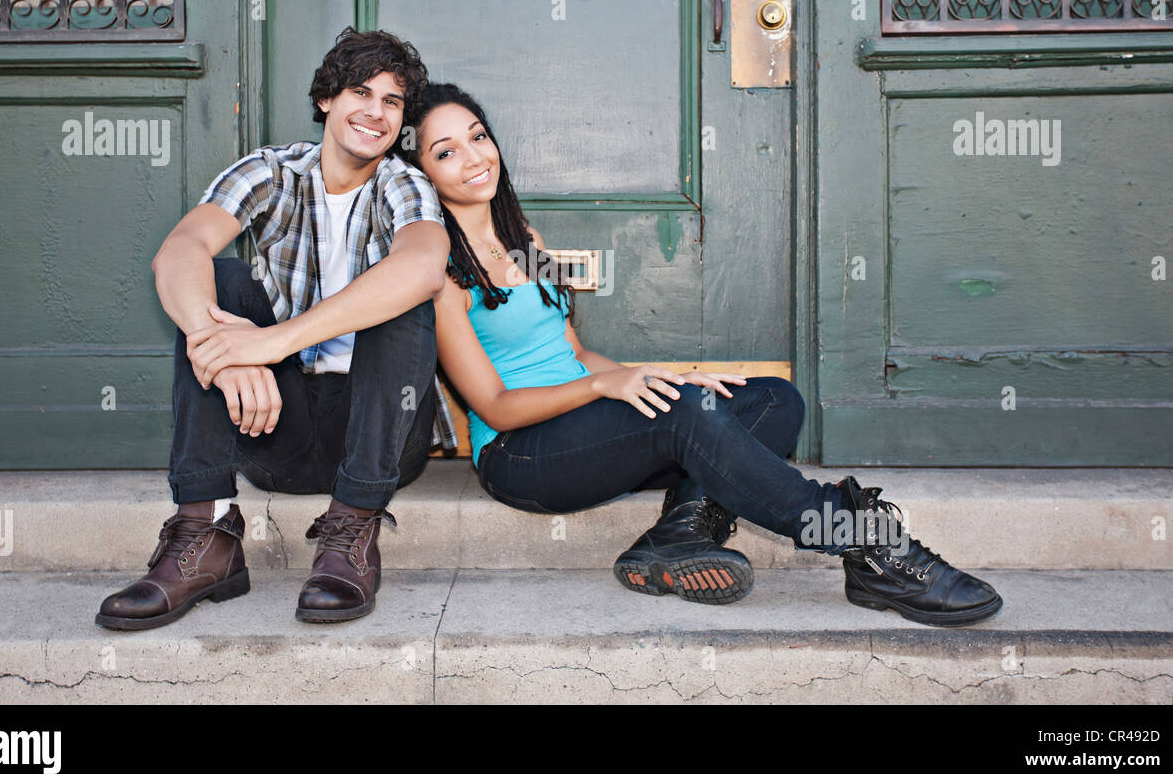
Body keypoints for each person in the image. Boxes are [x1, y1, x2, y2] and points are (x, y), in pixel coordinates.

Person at [406, 82, 1003, 627]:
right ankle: (861, 537)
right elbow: (495, 404)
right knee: (687, 413)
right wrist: (603, 389)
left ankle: (679, 535)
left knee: (771, 399)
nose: (474, 156)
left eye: (478, 137)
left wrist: (676, 377)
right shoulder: (443, 274)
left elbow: (577, 352)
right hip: (523, 455)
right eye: (446, 151)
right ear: (423, 174)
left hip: (588, 427)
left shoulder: (526, 240)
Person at [96, 27, 455, 630]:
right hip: (276, 424)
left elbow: (422, 267)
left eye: (392, 102)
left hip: (381, 432)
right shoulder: (272, 171)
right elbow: (180, 250)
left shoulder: (405, 183)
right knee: (223, 278)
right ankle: (205, 534)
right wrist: (231, 356)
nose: (375, 113)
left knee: (405, 296)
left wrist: (267, 343)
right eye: (360, 93)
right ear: (326, 100)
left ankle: (352, 531)